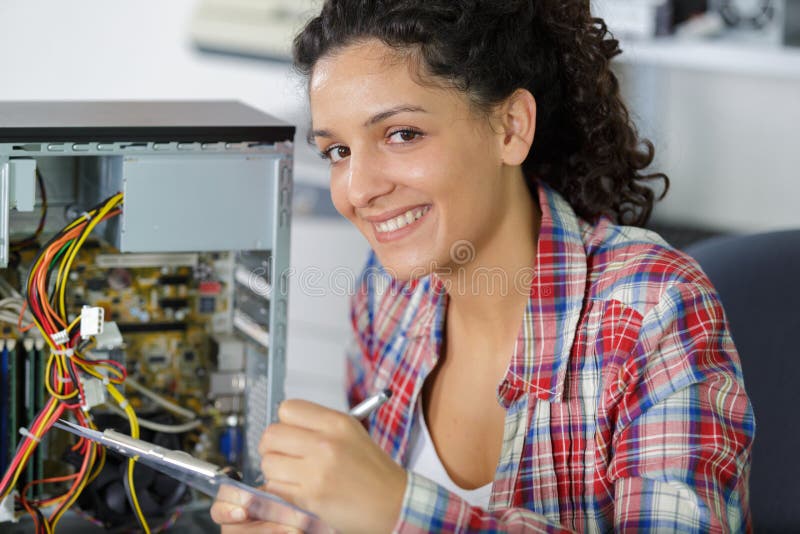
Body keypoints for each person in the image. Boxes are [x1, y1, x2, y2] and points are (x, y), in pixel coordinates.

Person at [212, 0, 755, 532]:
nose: (358, 190)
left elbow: (390, 513)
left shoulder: (654, 310)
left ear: (511, 128)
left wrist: (398, 513)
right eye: (338, 152)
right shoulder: (387, 295)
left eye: (402, 134)